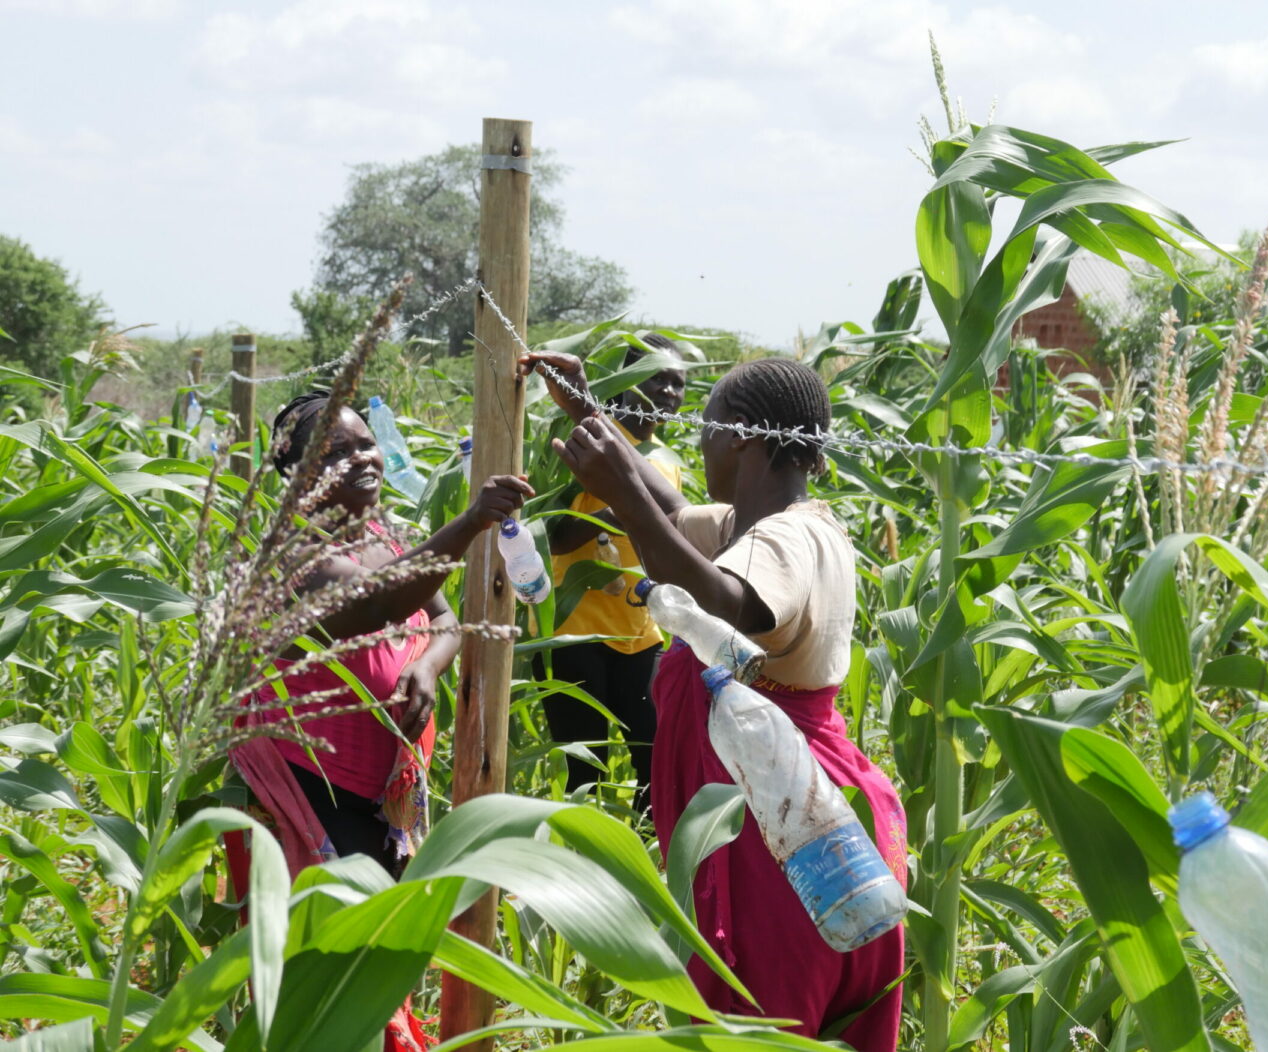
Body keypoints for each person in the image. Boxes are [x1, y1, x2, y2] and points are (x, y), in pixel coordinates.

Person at [518, 352, 907, 1052]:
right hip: (809, 805)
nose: (694, 440)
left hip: (780, 823)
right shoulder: (761, 525)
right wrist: (586, 411)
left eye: (706, 425)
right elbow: (672, 519)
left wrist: (624, 499)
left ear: (740, 438)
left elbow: (726, 607)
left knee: (762, 1027)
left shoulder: (788, 537)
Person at [226, 391, 532, 876]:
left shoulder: (383, 536)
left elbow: (445, 621)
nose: (362, 459)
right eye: (336, 453)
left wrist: (426, 666)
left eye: (366, 444)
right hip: (314, 787)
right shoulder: (290, 555)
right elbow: (379, 603)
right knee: (335, 936)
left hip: (387, 795)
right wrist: (473, 521)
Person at [538, 334, 687, 814]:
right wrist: (629, 507)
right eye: (656, 378)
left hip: (640, 634)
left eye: (677, 383)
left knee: (658, 755)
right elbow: (552, 537)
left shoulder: (665, 461)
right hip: (574, 632)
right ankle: (584, 869)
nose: (668, 391)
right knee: (587, 771)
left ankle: (651, 858)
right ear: (624, 384)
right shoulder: (586, 442)